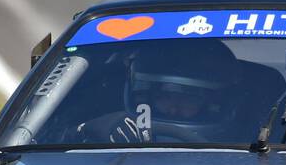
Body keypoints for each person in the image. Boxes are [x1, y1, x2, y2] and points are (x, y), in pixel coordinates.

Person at [77, 39, 240, 143]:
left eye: (188, 99)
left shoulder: (248, 146)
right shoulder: (117, 133)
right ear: (147, 95)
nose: (173, 108)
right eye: (165, 96)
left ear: (213, 103)